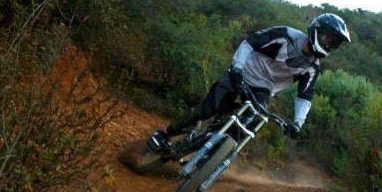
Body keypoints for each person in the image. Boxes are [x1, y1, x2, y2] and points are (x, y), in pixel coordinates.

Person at [147, 13, 351, 153]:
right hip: (243, 72)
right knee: (208, 108)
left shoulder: (312, 68)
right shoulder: (284, 35)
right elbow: (249, 43)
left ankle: (207, 154)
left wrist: (297, 124)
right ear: (316, 29)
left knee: (249, 123)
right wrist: (236, 67)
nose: (328, 43)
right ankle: (165, 134)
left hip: (263, 90)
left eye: (333, 42)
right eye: (327, 37)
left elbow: (304, 96)